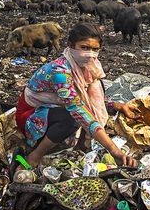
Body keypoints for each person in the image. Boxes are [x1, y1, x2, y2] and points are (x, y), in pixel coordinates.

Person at [15, 23, 140, 169]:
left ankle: (81, 146)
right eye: (84, 48)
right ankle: (34, 157)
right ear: (71, 45)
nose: (90, 54)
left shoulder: (90, 67)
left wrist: (117, 106)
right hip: (30, 116)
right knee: (71, 118)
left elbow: (90, 98)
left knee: (96, 86)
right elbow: (77, 108)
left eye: (95, 49)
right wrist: (114, 150)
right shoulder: (59, 71)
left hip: (55, 108)